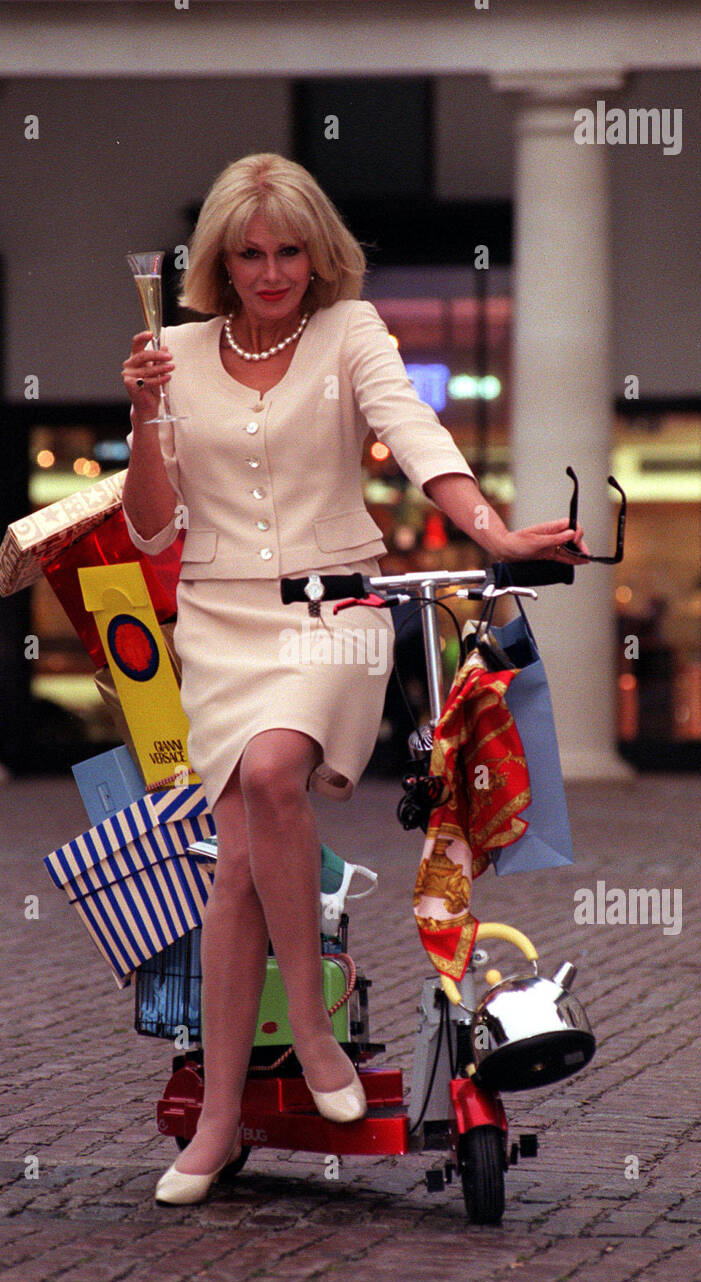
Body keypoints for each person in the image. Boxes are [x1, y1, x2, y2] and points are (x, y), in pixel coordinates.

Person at [121, 152, 587, 1206]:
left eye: (290, 249)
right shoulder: (173, 352)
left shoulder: (351, 332)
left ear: (316, 251)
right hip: (217, 619)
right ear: (220, 260)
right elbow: (151, 523)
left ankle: (320, 1041)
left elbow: (416, 434)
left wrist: (497, 529)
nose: (273, 270)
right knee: (232, 869)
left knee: (275, 775)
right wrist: (146, 412)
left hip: (333, 612)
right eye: (251, 253)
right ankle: (220, 1122)